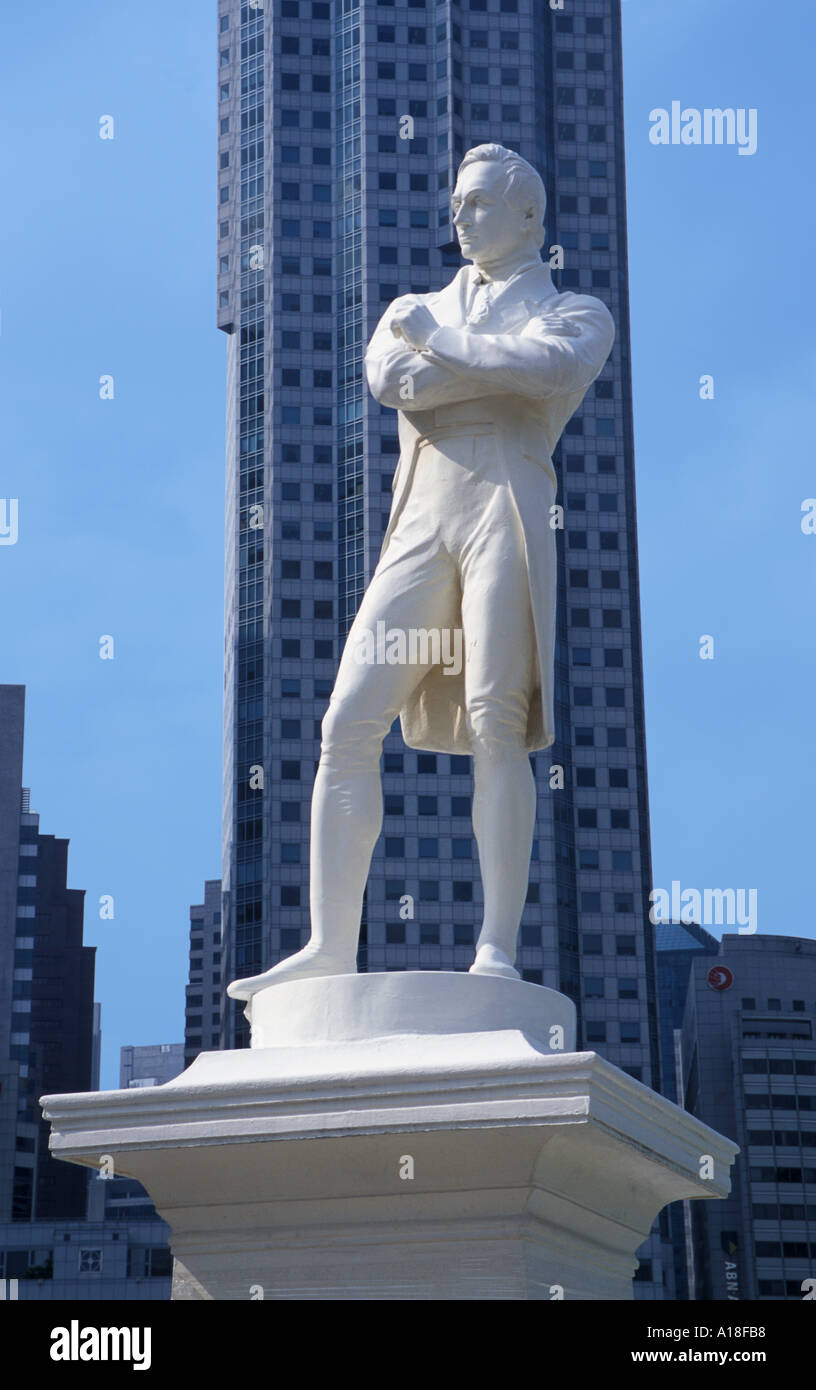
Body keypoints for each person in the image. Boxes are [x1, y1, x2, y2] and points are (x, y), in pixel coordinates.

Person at [228, 143, 614, 1002]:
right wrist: (467, 361)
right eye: (456, 206)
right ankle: (331, 945)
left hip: (506, 498)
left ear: (527, 216)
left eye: (478, 203)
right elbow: (391, 381)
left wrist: (443, 348)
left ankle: (497, 946)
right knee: (348, 717)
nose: (461, 219)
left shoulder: (575, 313)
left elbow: (545, 370)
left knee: (495, 717)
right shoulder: (417, 306)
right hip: (422, 508)